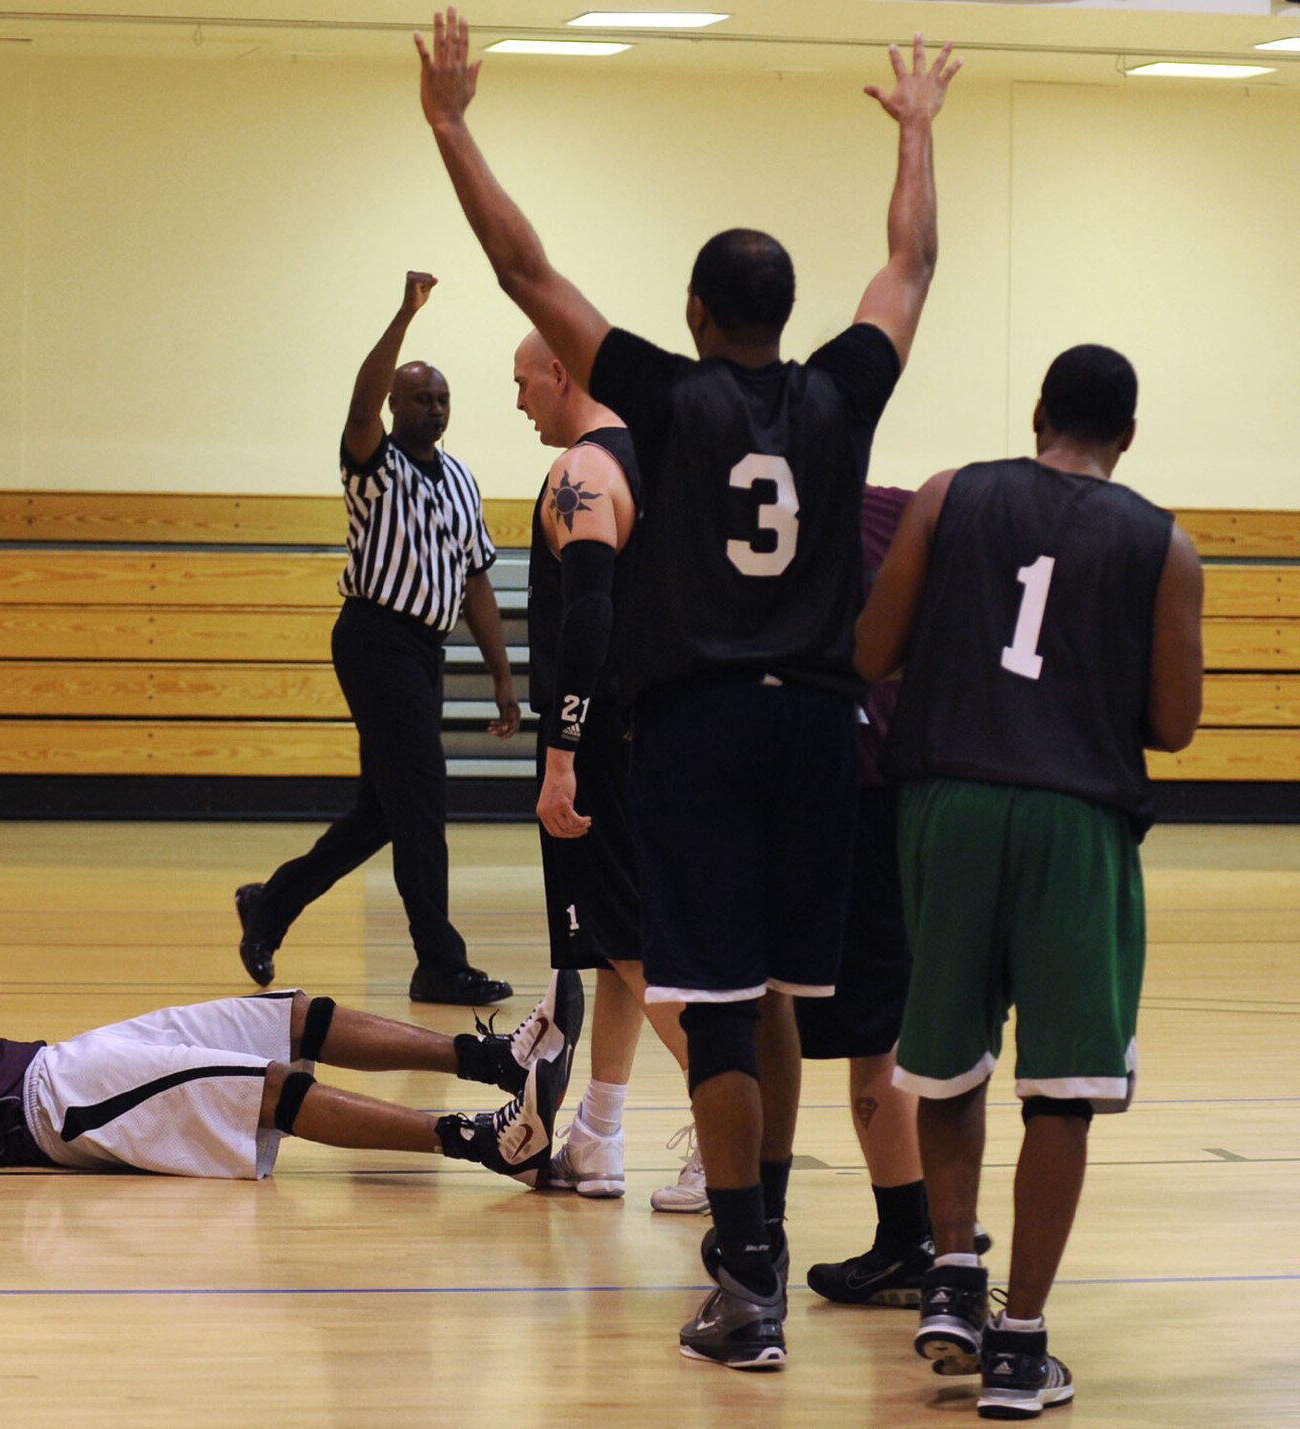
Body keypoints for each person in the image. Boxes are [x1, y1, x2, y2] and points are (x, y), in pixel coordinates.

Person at [416, 8, 959, 1369]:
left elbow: (523, 264)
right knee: (774, 992)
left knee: (715, 997)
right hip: (821, 729)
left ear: (699, 315)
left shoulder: (661, 397)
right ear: (786, 315)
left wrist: (451, 124)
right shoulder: (842, 395)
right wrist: (916, 136)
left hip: (705, 722)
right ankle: (761, 1229)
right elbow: (911, 261)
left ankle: (748, 1276)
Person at [855, 344, 1203, 1420]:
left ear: (1037, 411)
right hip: (1074, 817)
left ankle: (952, 1274)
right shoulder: (1164, 544)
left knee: (949, 1057)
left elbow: (870, 649)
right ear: (1128, 437)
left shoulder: (949, 494)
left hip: (945, 800)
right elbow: (1173, 723)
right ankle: (1016, 1347)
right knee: (1059, 1089)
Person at [235, 270, 521, 1006]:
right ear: (396, 407)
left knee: (383, 813)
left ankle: (271, 904)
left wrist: (500, 674)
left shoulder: (462, 482)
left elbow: (479, 581)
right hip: (374, 638)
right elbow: (359, 402)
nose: (434, 407)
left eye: (442, 398)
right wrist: (404, 316)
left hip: (425, 650)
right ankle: (438, 962)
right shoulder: (373, 466)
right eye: (420, 396)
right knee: (423, 797)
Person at [0, 954, 581, 1184]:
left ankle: (494, 1060)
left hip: (63, 1060)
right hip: (54, 1108)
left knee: (282, 1015)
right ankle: (481, 1144)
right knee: (260, 1086)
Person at [506, 328, 694, 1203]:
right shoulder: (654, 457)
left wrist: (561, 754)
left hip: (601, 740)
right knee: (617, 942)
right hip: (654, 731)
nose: (518, 402)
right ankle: (599, 1136)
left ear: (558, 372)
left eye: (522, 383)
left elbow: (589, 618)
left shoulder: (581, 472)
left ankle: (737, 1134)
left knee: (639, 955)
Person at [800, 484, 990, 1304]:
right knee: (899, 1022)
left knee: (875, 1029)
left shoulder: (848, 519)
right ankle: (928, 1223)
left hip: (870, 795)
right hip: (923, 795)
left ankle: (917, 1237)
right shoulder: (907, 510)